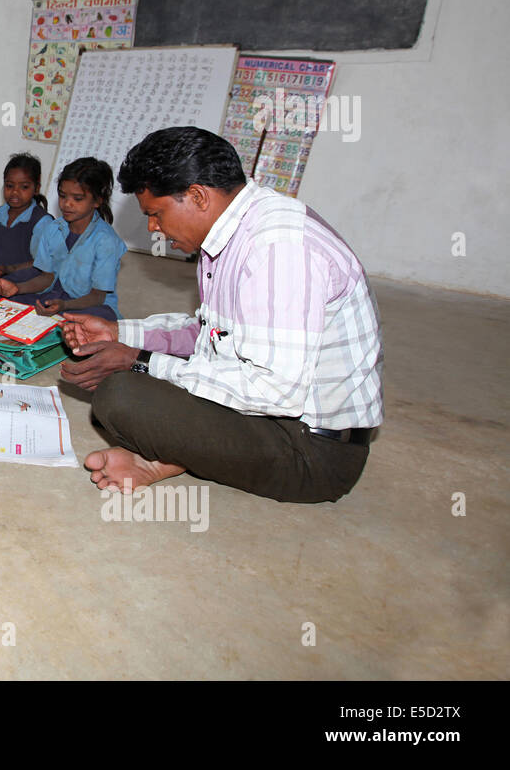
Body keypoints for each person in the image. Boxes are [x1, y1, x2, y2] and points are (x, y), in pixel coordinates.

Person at [59, 127, 383, 504]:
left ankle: (171, 457)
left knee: (121, 395)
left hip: (312, 450)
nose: (152, 228)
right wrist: (120, 333)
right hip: (269, 415)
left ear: (197, 196)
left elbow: (275, 392)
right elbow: (211, 333)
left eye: (156, 214)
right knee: (130, 388)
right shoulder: (229, 235)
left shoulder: (279, 249)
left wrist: (140, 362)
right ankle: (171, 458)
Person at [31, 158, 125, 320]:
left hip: (90, 304)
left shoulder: (106, 241)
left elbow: (97, 296)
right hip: (55, 296)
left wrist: (64, 305)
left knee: (94, 322)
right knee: (8, 299)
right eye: (62, 196)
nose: (67, 204)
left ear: (97, 200)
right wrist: (16, 288)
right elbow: (46, 277)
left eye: (77, 198)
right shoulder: (53, 228)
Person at [0, 152, 55, 304]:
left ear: (36, 188)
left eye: (24, 187)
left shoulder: (41, 222)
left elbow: (40, 263)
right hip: (0, 272)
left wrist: (8, 269)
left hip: (26, 275)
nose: (14, 192)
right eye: (9, 186)